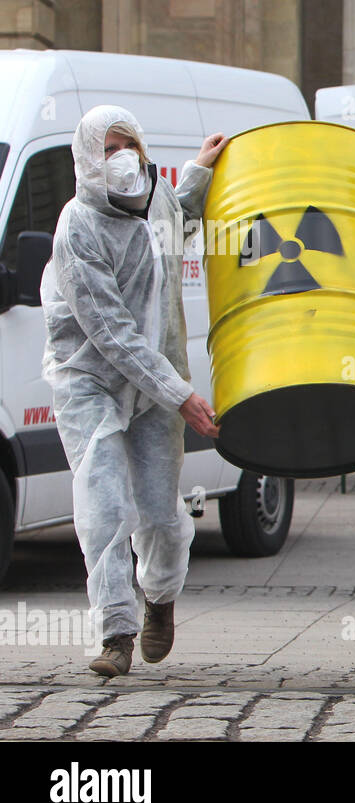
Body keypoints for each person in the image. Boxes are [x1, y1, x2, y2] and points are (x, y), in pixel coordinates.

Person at [42, 105, 227, 677]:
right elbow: (112, 332)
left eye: (128, 144)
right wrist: (182, 395)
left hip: (158, 384)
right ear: (85, 158)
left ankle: (160, 599)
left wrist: (198, 168)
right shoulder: (78, 226)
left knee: (161, 513)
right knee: (102, 503)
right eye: (107, 147)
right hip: (90, 378)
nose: (120, 157)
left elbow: (185, 213)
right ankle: (115, 631)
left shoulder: (158, 200)